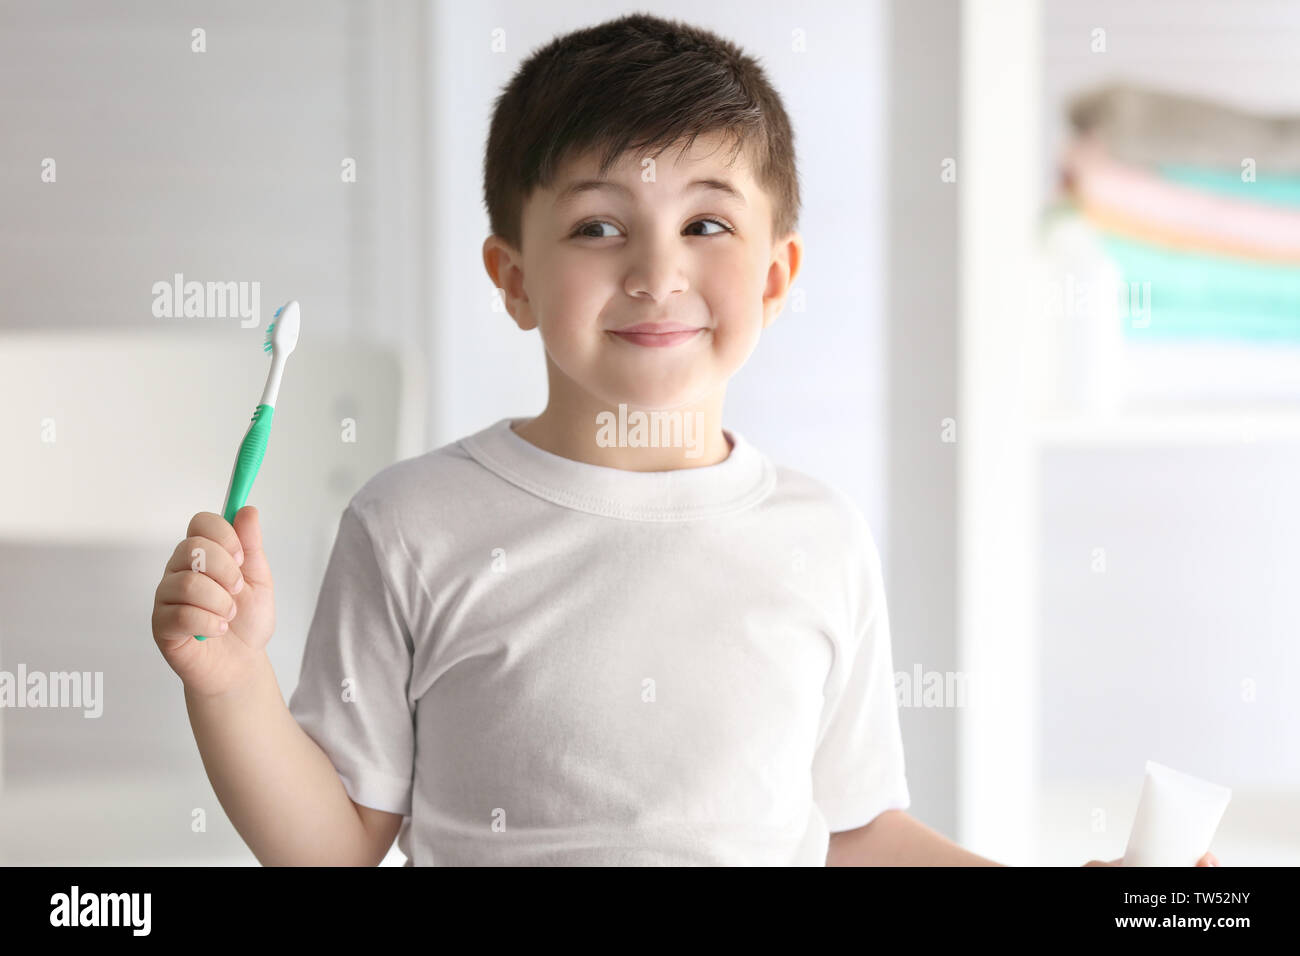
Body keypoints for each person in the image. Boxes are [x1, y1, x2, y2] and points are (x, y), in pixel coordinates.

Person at [151, 12, 1220, 868]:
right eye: (596, 226)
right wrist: (232, 680)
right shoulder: (408, 524)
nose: (656, 272)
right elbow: (329, 846)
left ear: (773, 274)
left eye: (706, 224)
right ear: (512, 278)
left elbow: (852, 834)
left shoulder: (820, 537)